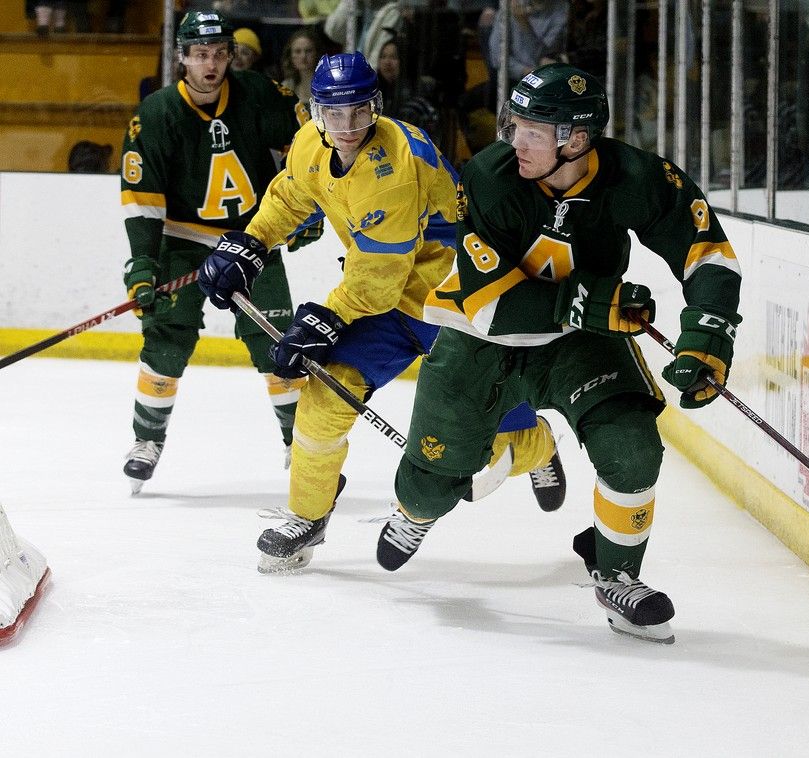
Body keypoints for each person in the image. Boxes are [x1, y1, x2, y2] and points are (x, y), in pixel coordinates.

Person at [380, 63, 742, 644]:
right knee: (429, 484)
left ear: (574, 140)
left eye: (532, 131)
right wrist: (597, 303)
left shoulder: (636, 177)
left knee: (633, 448)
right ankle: (416, 513)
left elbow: (708, 253)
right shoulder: (490, 179)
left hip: (578, 346)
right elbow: (492, 306)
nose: (513, 141)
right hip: (481, 343)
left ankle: (618, 574)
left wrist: (709, 334)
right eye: (514, 124)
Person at [197, 51, 566, 574]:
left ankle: (539, 444)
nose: (347, 127)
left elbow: (376, 279)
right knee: (324, 398)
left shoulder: (391, 170)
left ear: (376, 106)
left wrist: (321, 321)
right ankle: (307, 515)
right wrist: (251, 241)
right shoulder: (311, 141)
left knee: (484, 454)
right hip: (389, 299)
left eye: (359, 112)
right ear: (314, 111)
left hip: (457, 300)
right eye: (333, 113)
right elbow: (291, 196)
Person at [120, 10, 314, 494]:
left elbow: (311, 149)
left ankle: (301, 445)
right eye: (201, 54)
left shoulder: (261, 94)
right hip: (183, 240)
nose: (211, 65)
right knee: (166, 339)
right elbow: (144, 200)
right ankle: (146, 441)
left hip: (253, 238)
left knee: (277, 344)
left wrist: (307, 210)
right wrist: (143, 261)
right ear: (182, 58)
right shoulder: (155, 116)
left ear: (230, 56)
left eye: (219, 54)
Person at [281, 27, 323, 104]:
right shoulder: (287, 86)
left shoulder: (328, 86)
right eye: (297, 51)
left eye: (308, 51)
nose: (303, 56)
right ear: (290, 56)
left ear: (317, 53)